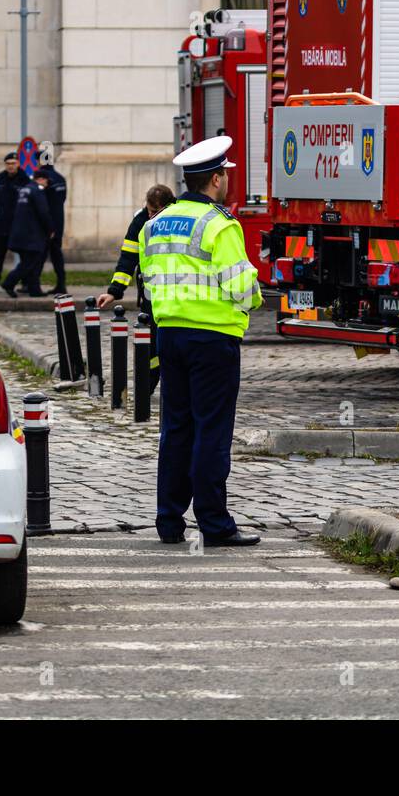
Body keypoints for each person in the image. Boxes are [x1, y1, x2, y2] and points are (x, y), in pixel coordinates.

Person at [138, 135, 263, 547]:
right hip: (212, 338)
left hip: (169, 335)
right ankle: (214, 522)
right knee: (212, 430)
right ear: (214, 179)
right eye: (224, 175)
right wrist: (256, 297)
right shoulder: (220, 225)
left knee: (176, 428)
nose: (226, 181)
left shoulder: (153, 225)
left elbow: (149, 280)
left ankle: (168, 520)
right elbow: (242, 286)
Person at [96, 184, 175, 393]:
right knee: (150, 345)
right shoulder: (141, 220)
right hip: (151, 296)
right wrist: (114, 291)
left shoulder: (178, 220)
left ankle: (172, 389)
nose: (151, 216)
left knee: (170, 344)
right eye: (149, 211)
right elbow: (128, 257)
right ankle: (145, 390)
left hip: (178, 295)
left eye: (156, 212)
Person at [1, 172, 54, 298]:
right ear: (40, 179)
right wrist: (50, 229)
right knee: (29, 263)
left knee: (31, 263)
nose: (47, 184)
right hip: (32, 236)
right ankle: (9, 283)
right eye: (46, 181)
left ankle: (34, 289)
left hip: (20, 234)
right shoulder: (37, 190)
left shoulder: (25, 189)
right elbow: (43, 212)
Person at [0, 152, 30, 293]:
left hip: (19, 224)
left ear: (18, 164)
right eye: (8, 164)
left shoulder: (24, 179)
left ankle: (26, 283)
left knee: (25, 256)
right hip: (2, 224)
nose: (10, 166)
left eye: (13, 163)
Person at [32, 163, 68, 294]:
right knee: (56, 255)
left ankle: (34, 286)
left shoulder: (44, 178)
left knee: (39, 255)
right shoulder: (61, 178)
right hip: (59, 221)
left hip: (47, 224)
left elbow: (41, 203)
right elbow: (63, 199)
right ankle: (61, 284)